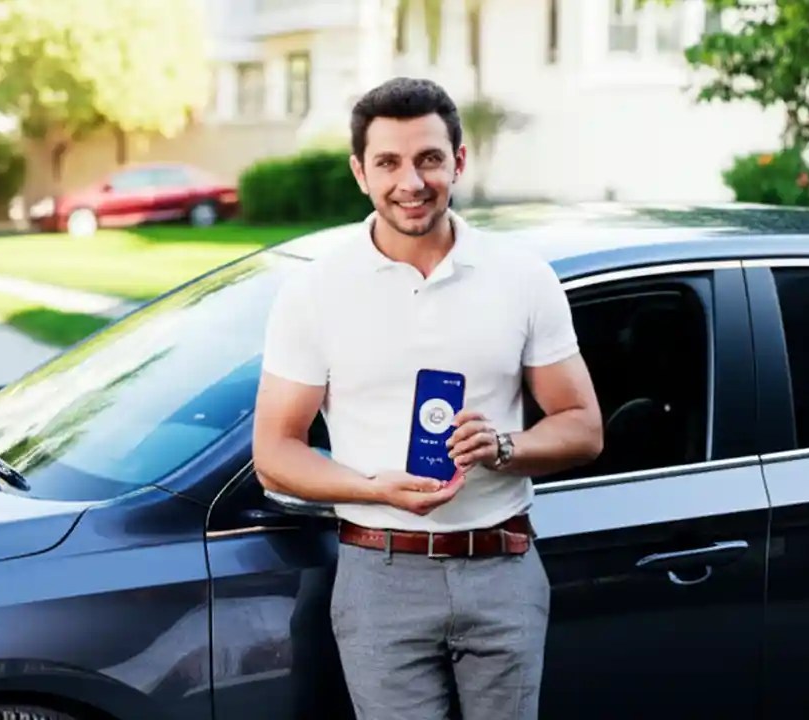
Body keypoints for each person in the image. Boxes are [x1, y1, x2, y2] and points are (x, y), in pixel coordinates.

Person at [251, 76, 604, 720]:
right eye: (388, 162)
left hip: (503, 564)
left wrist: (503, 445)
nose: (410, 182)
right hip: (378, 570)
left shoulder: (523, 277)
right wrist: (374, 488)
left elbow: (583, 427)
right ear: (360, 172)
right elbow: (275, 451)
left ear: (458, 162)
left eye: (429, 159)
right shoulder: (315, 290)